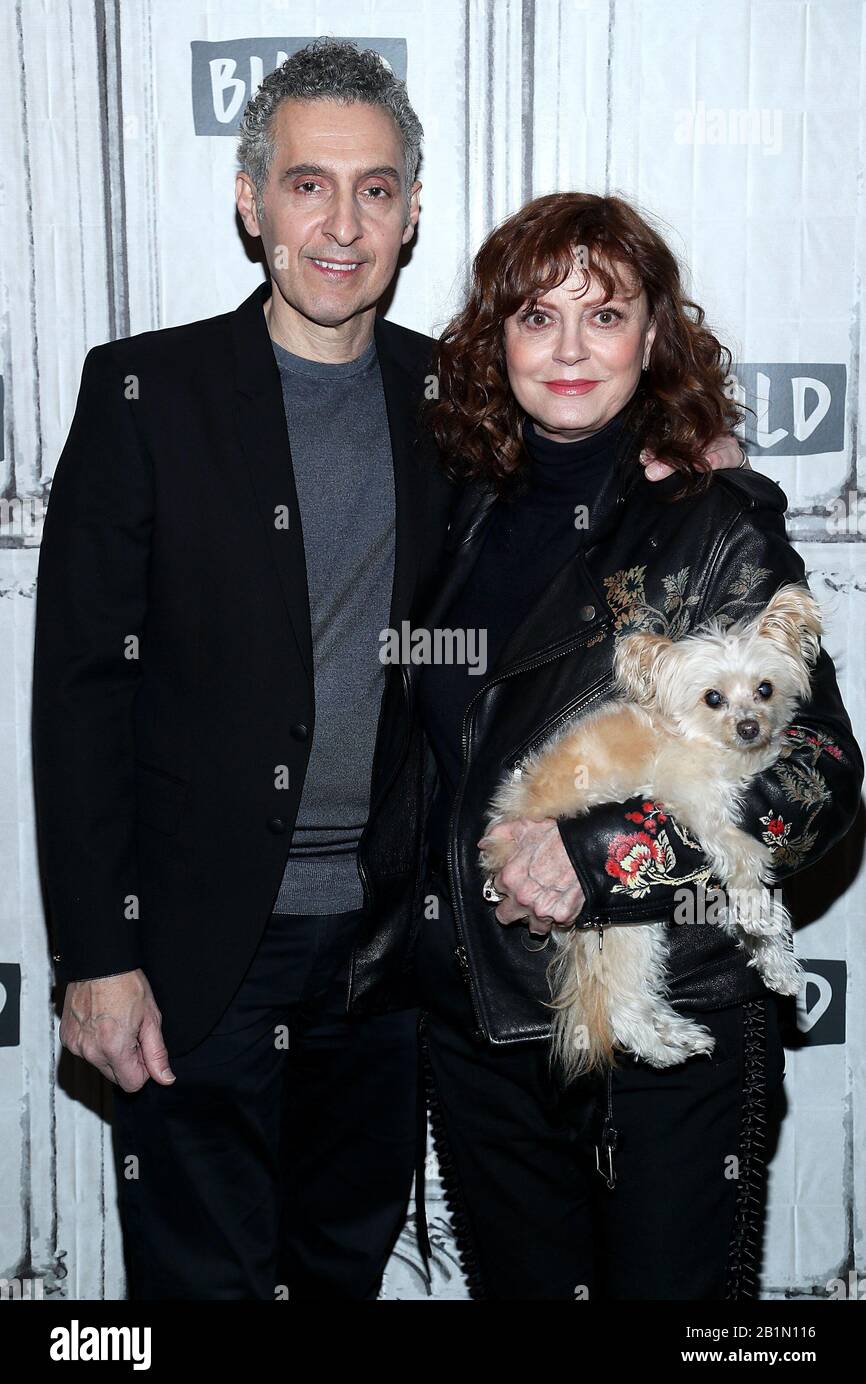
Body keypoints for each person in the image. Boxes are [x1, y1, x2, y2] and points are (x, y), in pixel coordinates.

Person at [31, 40, 751, 1301]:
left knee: (340, 1273)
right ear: (250, 202)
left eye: (375, 190)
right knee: (195, 1286)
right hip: (197, 949)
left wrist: (714, 466)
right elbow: (79, 697)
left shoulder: (455, 400)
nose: (341, 224)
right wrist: (95, 954)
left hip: (391, 956)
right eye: (307, 185)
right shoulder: (144, 394)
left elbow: (603, 453)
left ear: (412, 211)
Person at [412, 191, 864, 1300]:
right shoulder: (453, 508)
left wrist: (604, 851)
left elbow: (818, 778)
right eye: (534, 316)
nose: (567, 347)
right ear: (494, 339)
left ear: (650, 335)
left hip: (676, 1020)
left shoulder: (715, 521)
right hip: (481, 1027)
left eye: (602, 314)